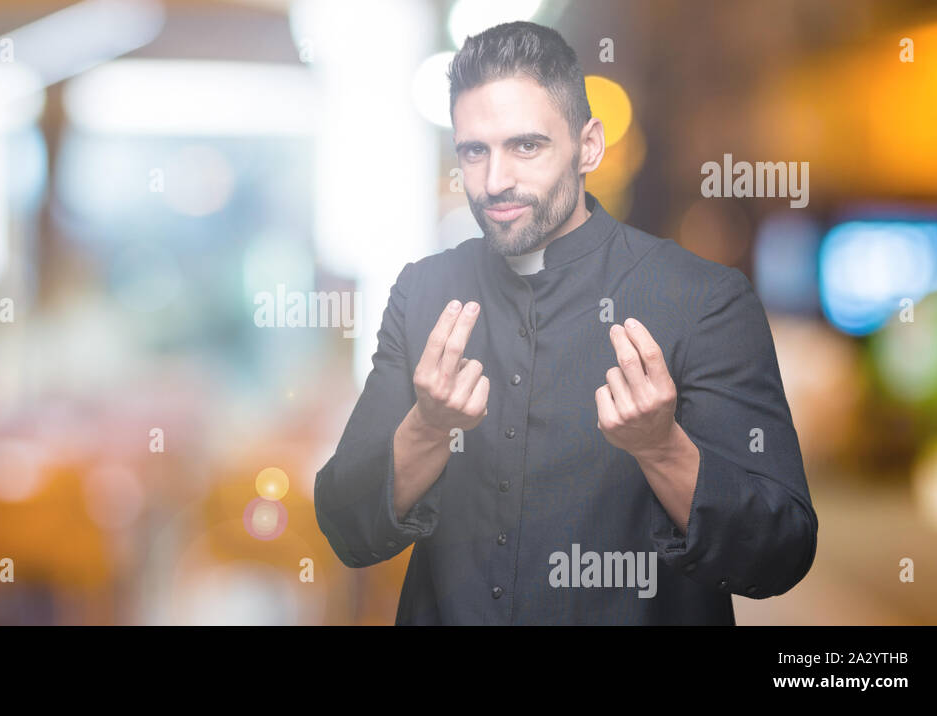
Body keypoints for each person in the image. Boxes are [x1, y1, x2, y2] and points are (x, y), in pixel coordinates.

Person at [313, 20, 817, 624]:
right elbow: (346, 527)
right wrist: (426, 427)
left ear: (589, 146)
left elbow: (781, 551)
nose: (495, 180)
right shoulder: (424, 292)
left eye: (526, 146)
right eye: (475, 150)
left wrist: (662, 449)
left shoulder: (705, 300)